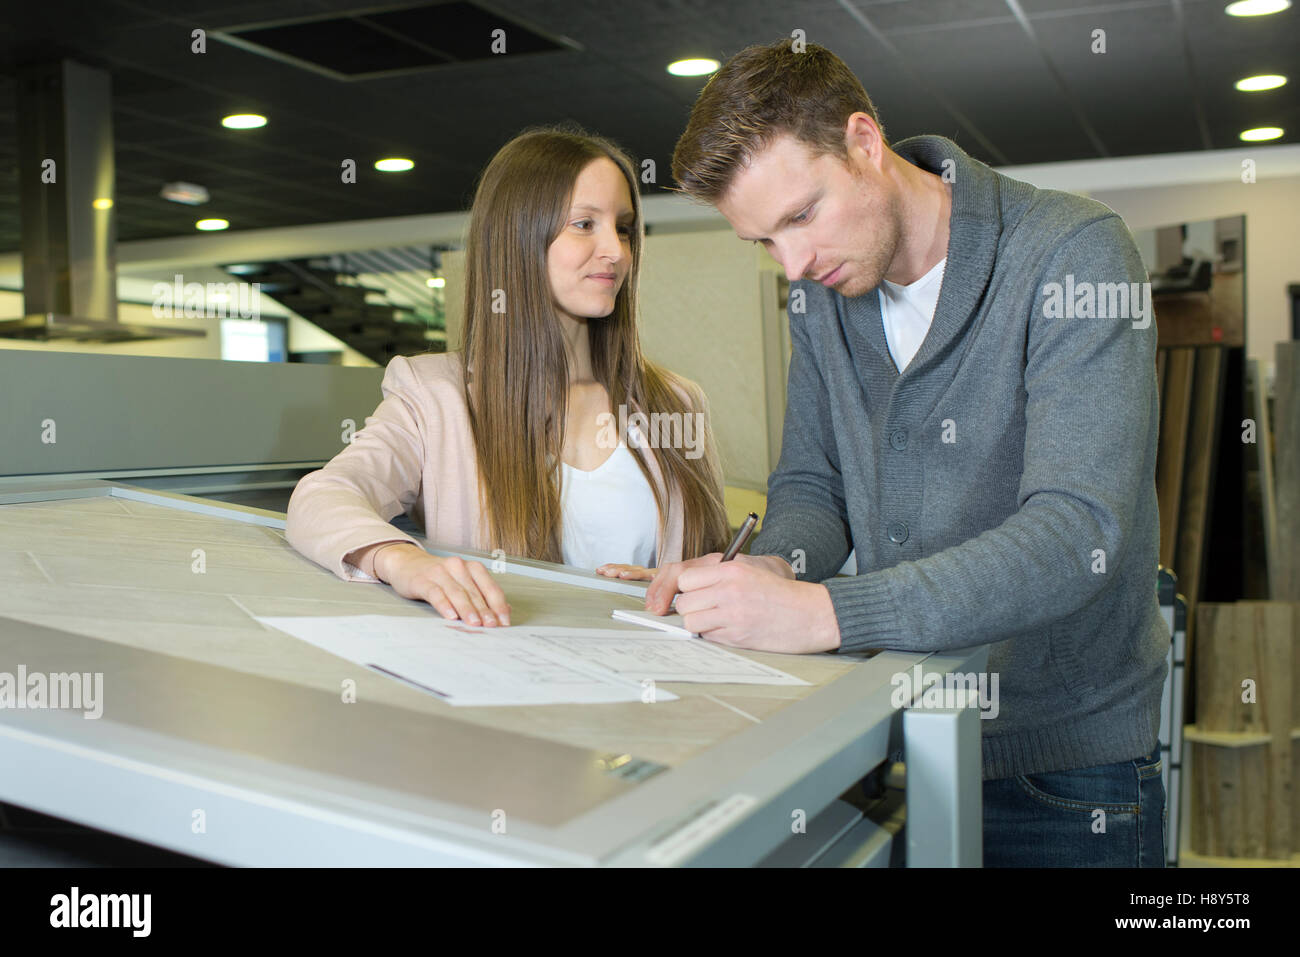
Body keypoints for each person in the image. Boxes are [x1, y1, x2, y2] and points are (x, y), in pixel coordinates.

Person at [649, 40, 1168, 867]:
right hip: (897, 731)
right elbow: (814, 483)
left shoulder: (1073, 254)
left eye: (799, 216)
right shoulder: (823, 298)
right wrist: (777, 567)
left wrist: (827, 614)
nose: (796, 265)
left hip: (1062, 768)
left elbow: (1079, 534)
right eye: (764, 243)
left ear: (863, 142)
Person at [286, 127, 730, 628]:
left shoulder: (676, 401)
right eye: (584, 224)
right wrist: (402, 560)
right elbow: (322, 497)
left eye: (623, 228)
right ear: (518, 238)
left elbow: (714, 562)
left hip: (658, 683)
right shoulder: (435, 397)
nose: (616, 251)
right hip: (508, 687)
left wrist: (696, 579)